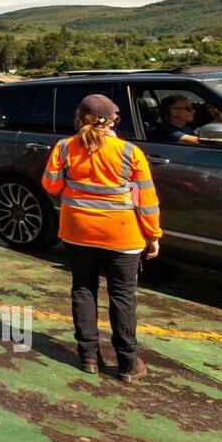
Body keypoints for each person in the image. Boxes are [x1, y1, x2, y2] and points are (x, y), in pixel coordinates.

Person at [42, 94, 161, 382]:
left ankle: (88, 356)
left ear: (81, 118)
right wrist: (153, 235)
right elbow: (146, 199)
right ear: (112, 120)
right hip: (121, 234)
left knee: (83, 289)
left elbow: (51, 184)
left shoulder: (64, 147)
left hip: (77, 231)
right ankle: (128, 363)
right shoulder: (128, 151)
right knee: (122, 295)